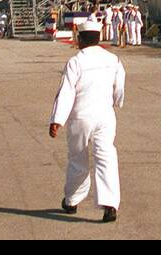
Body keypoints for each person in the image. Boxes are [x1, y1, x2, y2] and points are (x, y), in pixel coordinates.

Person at [49, 20, 125, 223]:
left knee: (77, 159)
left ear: (80, 39)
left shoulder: (76, 61)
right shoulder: (113, 59)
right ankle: (109, 205)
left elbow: (66, 92)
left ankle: (72, 201)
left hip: (81, 117)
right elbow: (119, 87)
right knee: (106, 157)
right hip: (105, 116)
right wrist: (117, 102)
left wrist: (57, 120)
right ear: (98, 38)